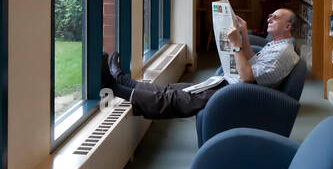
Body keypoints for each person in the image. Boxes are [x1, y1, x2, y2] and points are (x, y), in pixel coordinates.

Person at [101, 7, 300, 119]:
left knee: (174, 98)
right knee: (172, 89)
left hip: (240, 93)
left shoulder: (284, 52)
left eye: (276, 17)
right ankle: (122, 80)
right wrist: (244, 33)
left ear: (288, 25)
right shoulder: (277, 45)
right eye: (270, 14)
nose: (269, 18)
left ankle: (114, 87)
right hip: (232, 84)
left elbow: (248, 77)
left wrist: (236, 45)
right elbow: (253, 62)